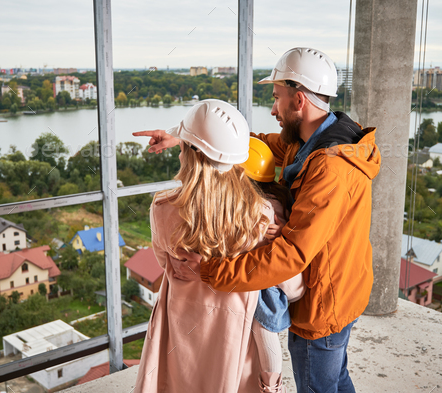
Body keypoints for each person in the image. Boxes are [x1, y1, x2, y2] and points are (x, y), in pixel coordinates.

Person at [134, 47, 381, 393]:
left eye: (277, 98)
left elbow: (291, 256)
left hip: (325, 297)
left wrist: (209, 271)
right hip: (340, 279)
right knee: (337, 379)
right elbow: (247, 145)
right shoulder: (319, 138)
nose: (272, 108)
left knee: (319, 386)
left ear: (298, 100)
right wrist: (184, 135)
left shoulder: (331, 168)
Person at [133, 99, 275, 393]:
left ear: (186, 153)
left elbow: (164, 262)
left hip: (178, 326)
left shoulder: (162, 209)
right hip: (233, 335)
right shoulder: (261, 216)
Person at [242, 137, 305, 393]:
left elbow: (247, 244)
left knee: (264, 329)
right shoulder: (277, 194)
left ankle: (271, 387)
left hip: (269, 284)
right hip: (281, 277)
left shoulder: (259, 206)